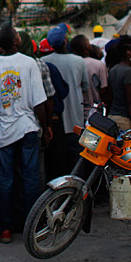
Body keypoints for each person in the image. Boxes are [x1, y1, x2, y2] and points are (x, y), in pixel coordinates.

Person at [0, 25, 49, 244]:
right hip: (27, 126)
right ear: (15, 40)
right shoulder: (29, 63)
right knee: (30, 178)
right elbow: (39, 101)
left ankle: (5, 229)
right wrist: (46, 126)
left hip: (4, 129)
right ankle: (32, 225)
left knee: (5, 179)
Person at [41, 24, 89, 179]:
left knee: (56, 164)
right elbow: (85, 87)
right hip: (75, 118)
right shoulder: (79, 61)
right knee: (76, 161)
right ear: (65, 41)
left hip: (54, 121)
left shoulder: (43, 61)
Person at [106, 41, 131, 131]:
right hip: (124, 120)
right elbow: (130, 102)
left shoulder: (113, 69)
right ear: (128, 53)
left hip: (112, 116)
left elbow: (110, 97)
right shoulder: (129, 72)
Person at [72, 34, 108, 120]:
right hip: (96, 112)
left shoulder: (71, 66)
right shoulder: (99, 65)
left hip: (77, 112)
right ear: (87, 47)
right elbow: (104, 90)